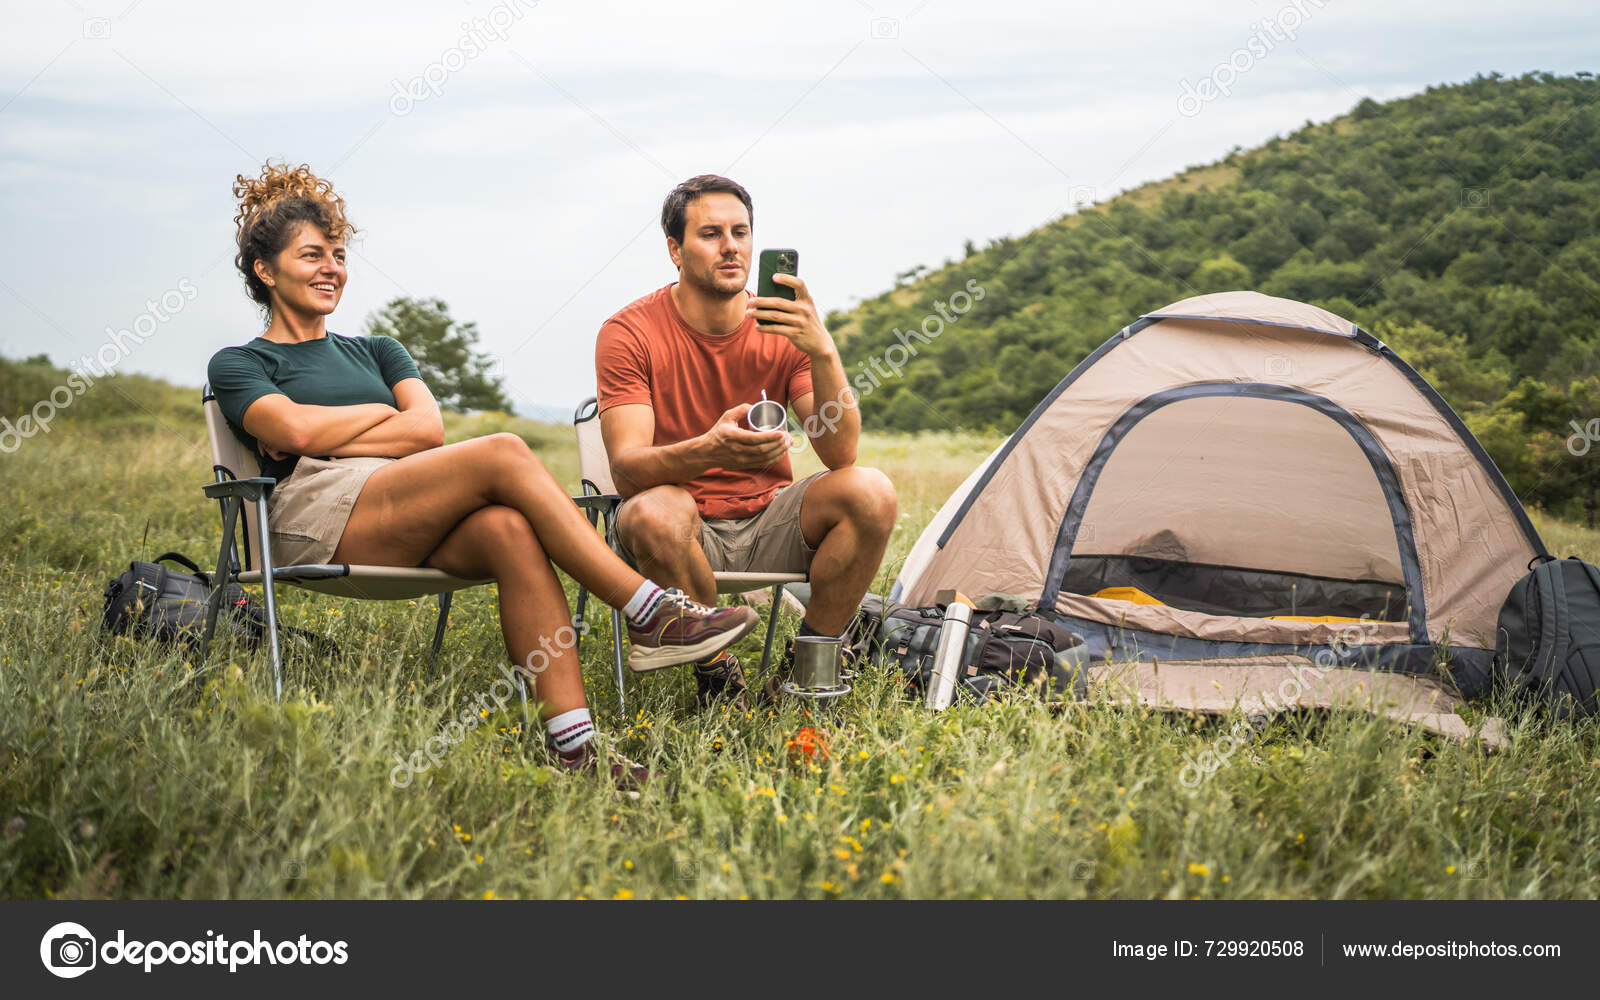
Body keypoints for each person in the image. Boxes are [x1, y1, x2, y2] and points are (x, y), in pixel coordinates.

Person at [207, 162, 758, 786]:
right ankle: (649, 611)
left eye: (338, 254)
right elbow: (294, 435)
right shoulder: (239, 363)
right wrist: (379, 413)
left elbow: (427, 431)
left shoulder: (380, 350)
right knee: (501, 452)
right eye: (312, 255)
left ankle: (575, 748)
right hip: (316, 518)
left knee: (506, 529)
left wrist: (342, 424)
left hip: (402, 507)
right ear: (265, 270)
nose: (332, 268)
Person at [595, 174, 898, 709]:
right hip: (677, 528)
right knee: (652, 512)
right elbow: (627, 472)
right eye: (710, 233)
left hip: (767, 520)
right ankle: (719, 679)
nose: (730, 246)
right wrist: (711, 449)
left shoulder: (782, 328)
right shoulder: (630, 332)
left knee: (870, 490)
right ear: (675, 249)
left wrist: (823, 351)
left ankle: (805, 672)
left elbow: (839, 453)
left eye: (741, 232)